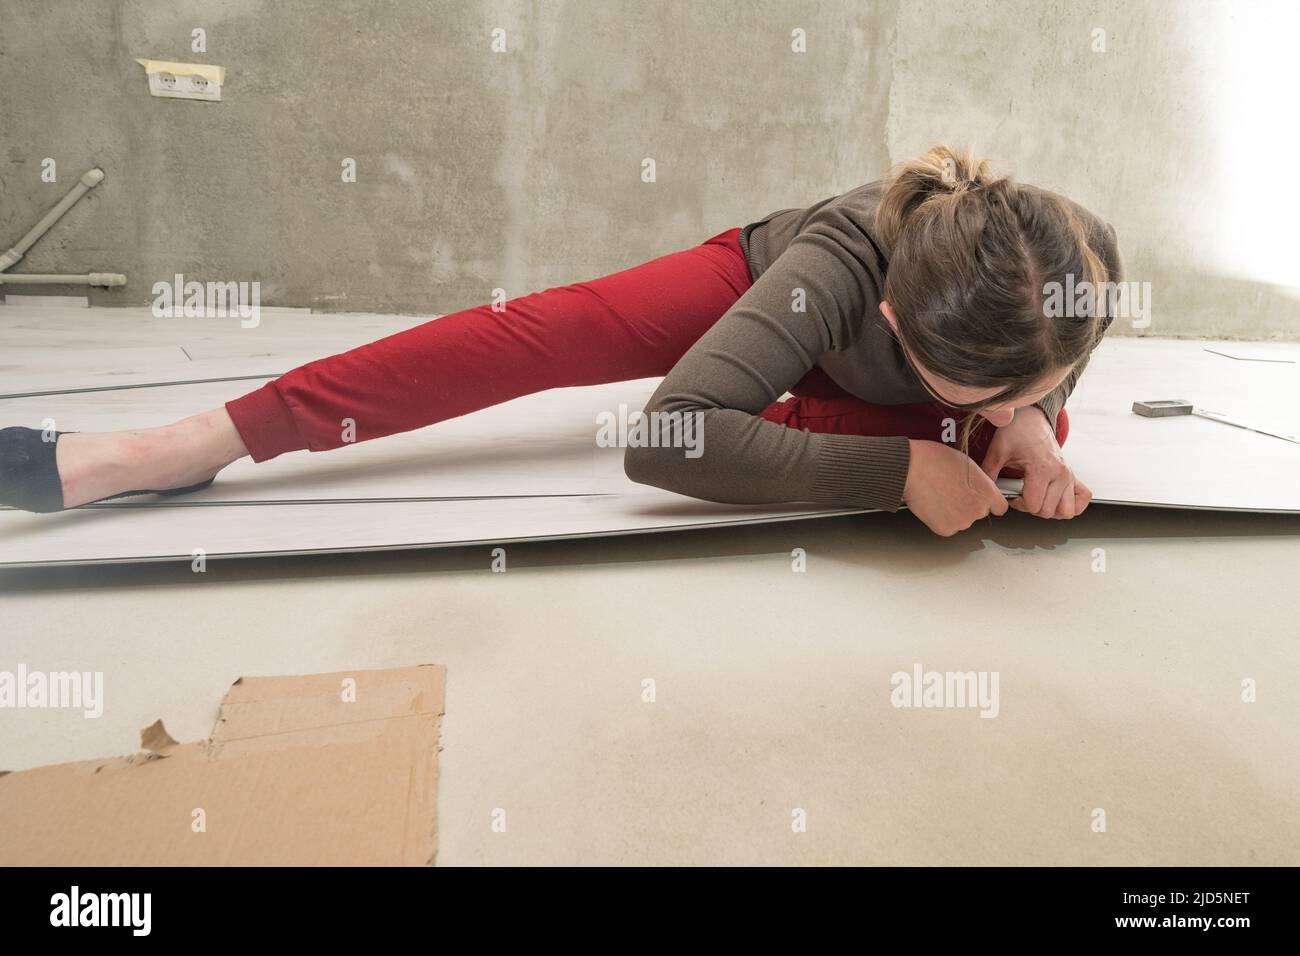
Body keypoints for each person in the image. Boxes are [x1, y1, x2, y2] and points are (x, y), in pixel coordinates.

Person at [0, 145, 1120, 537]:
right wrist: (897, 465)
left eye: (1049, 363)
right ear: (888, 323)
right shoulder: (835, 273)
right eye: (972, 384)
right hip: (775, 285)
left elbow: (1033, 386)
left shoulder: (1080, 262)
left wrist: (1032, 425)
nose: (1013, 394)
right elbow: (666, 440)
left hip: (911, 362)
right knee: (537, 334)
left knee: (1008, 443)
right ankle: (183, 442)